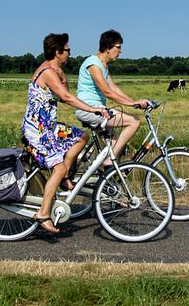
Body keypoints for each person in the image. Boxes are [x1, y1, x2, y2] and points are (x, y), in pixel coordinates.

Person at [25, 33, 111, 234]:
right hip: (38, 131)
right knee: (58, 168)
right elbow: (66, 97)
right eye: (68, 50)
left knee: (82, 136)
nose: (70, 54)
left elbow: (63, 95)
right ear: (58, 52)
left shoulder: (54, 70)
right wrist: (93, 109)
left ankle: (65, 177)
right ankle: (43, 213)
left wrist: (63, 77)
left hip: (48, 127)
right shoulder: (47, 71)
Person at [74, 29, 152, 164]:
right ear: (108, 47)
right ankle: (108, 163)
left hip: (100, 110)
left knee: (116, 146)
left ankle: (104, 178)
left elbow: (114, 88)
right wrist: (132, 104)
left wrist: (135, 102)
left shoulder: (104, 66)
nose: (120, 51)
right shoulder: (93, 63)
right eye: (118, 47)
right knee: (134, 121)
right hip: (90, 109)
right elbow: (107, 92)